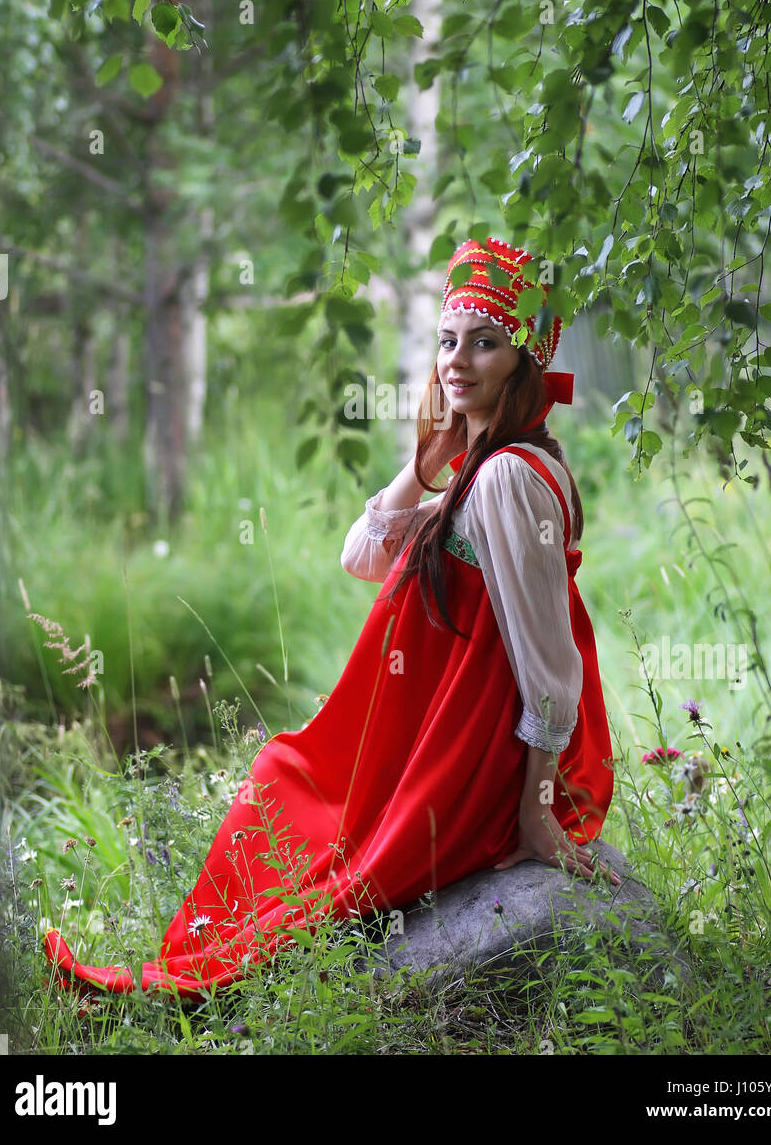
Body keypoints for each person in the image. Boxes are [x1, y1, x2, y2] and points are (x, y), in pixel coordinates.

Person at [43, 235, 618, 1001]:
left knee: (309, 828)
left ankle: (188, 989)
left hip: (468, 756)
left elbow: (550, 660)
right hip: (427, 735)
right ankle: (180, 974)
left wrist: (536, 810)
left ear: (523, 361)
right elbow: (362, 555)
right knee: (280, 778)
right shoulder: (479, 469)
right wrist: (427, 461)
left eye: (485, 343)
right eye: (448, 340)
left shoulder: (510, 478)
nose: (458, 361)